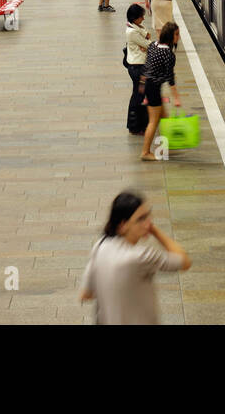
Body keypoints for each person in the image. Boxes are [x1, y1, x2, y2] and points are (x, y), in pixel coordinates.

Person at [79, 191, 191, 324]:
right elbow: (184, 262)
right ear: (123, 225)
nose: (148, 223)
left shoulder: (101, 245)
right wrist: (155, 231)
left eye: (148, 215)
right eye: (141, 219)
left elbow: (86, 294)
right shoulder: (140, 256)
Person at [138, 23, 181, 160]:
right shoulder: (168, 54)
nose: (178, 37)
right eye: (176, 34)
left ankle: (167, 145)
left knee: (164, 118)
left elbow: (147, 63)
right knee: (153, 121)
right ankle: (145, 152)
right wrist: (176, 98)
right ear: (170, 36)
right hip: (153, 88)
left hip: (147, 85)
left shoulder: (153, 45)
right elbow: (170, 78)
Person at [124, 5, 151, 135]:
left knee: (139, 95)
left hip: (138, 66)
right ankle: (135, 126)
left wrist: (146, 37)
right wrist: (146, 43)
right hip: (138, 68)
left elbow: (147, 35)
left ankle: (138, 124)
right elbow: (148, 44)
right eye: (141, 17)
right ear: (135, 18)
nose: (143, 18)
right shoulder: (132, 32)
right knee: (138, 97)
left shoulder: (134, 27)